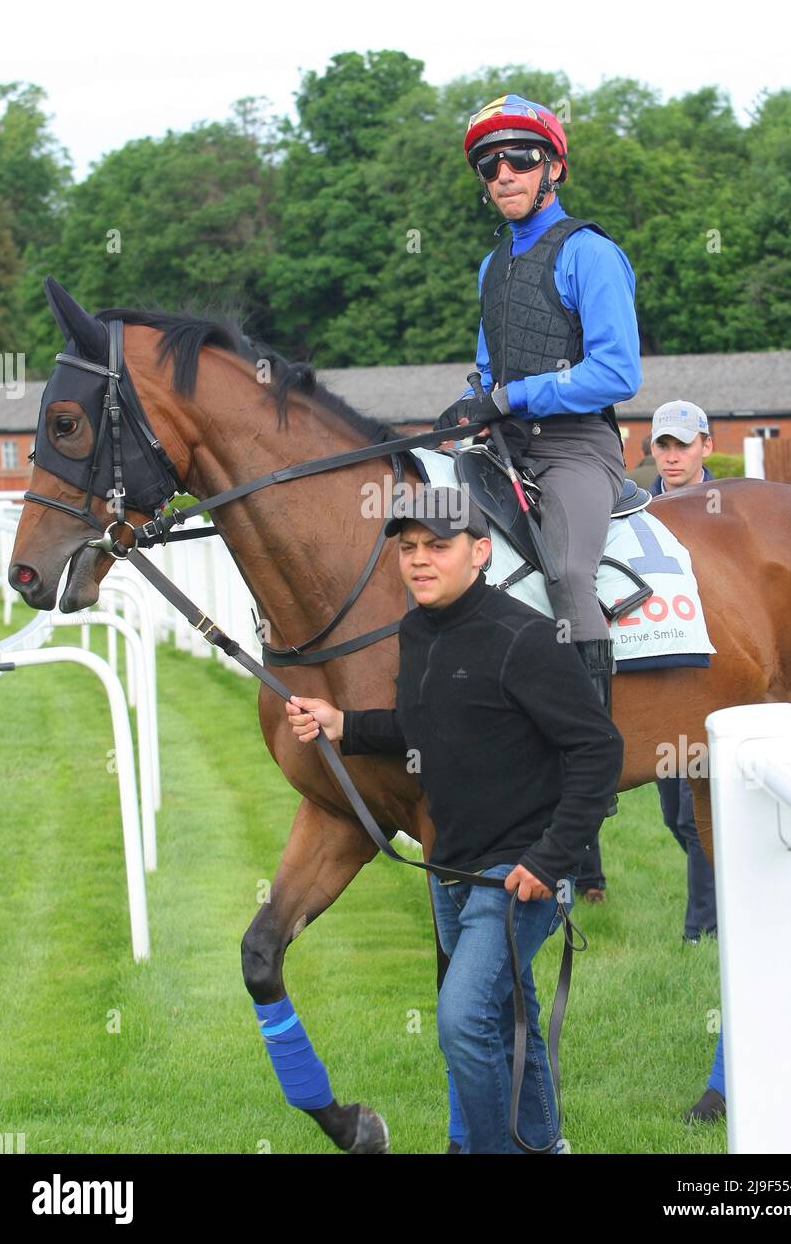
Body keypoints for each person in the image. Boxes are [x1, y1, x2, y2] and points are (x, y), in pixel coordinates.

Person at [285, 486, 623, 1154]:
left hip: (518, 874)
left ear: (480, 551)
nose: (419, 560)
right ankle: (545, 1148)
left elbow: (599, 748)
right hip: (450, 870)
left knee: (463, 1019)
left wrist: (553, 859)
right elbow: (425, 725)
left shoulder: (523, 638)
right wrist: (342, 723)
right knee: (499, 1015)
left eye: (437, 546)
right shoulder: (417, 631)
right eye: (408, 548)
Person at [433, 92, 642, 902]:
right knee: (433, 552)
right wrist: (469, 402)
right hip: (503, 449)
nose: (504, 173)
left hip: (576, 446)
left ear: (551, 166)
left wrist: (510, 399)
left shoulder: (591, 253)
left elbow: (619, 373)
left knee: (564, 573)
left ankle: (583, 812)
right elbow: (488, 375)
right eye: (491, 164)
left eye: (519, 158)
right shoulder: (493, 266)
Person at [649, 399, 724, 1124]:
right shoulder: (644, 514)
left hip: (717, 680)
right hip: (669, 682)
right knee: (679, 817)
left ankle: (704, 917)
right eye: (661, 446)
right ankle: (705, 908)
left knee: (703, 822)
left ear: (707, 445)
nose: (671, 456)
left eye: (682, 444)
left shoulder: (729, 514)